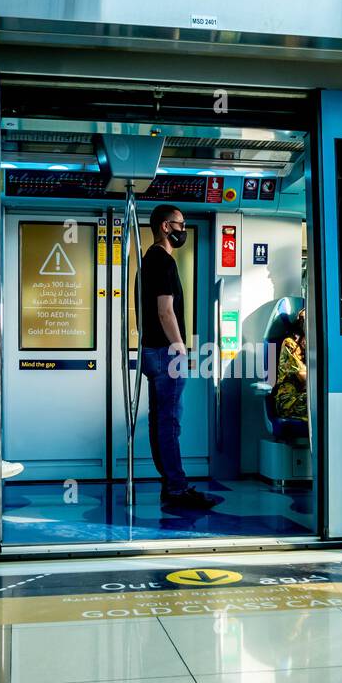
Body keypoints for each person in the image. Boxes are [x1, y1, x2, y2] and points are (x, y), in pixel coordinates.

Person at [139, 204, 219, 509]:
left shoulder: (148, 261)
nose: (183, 230)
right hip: (165, 351)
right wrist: (180, 347)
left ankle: (170, 483)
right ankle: (175, 487)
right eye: (179, 224)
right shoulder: (163, 262)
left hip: (153, 350)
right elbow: (165, 310)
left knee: (160, 420)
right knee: (170, 422)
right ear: (164, 226)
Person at [273, 308, 309, 422]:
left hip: (305, 395)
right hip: (289, 400)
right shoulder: (290, 344)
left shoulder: (311, 344)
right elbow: (303, 376)